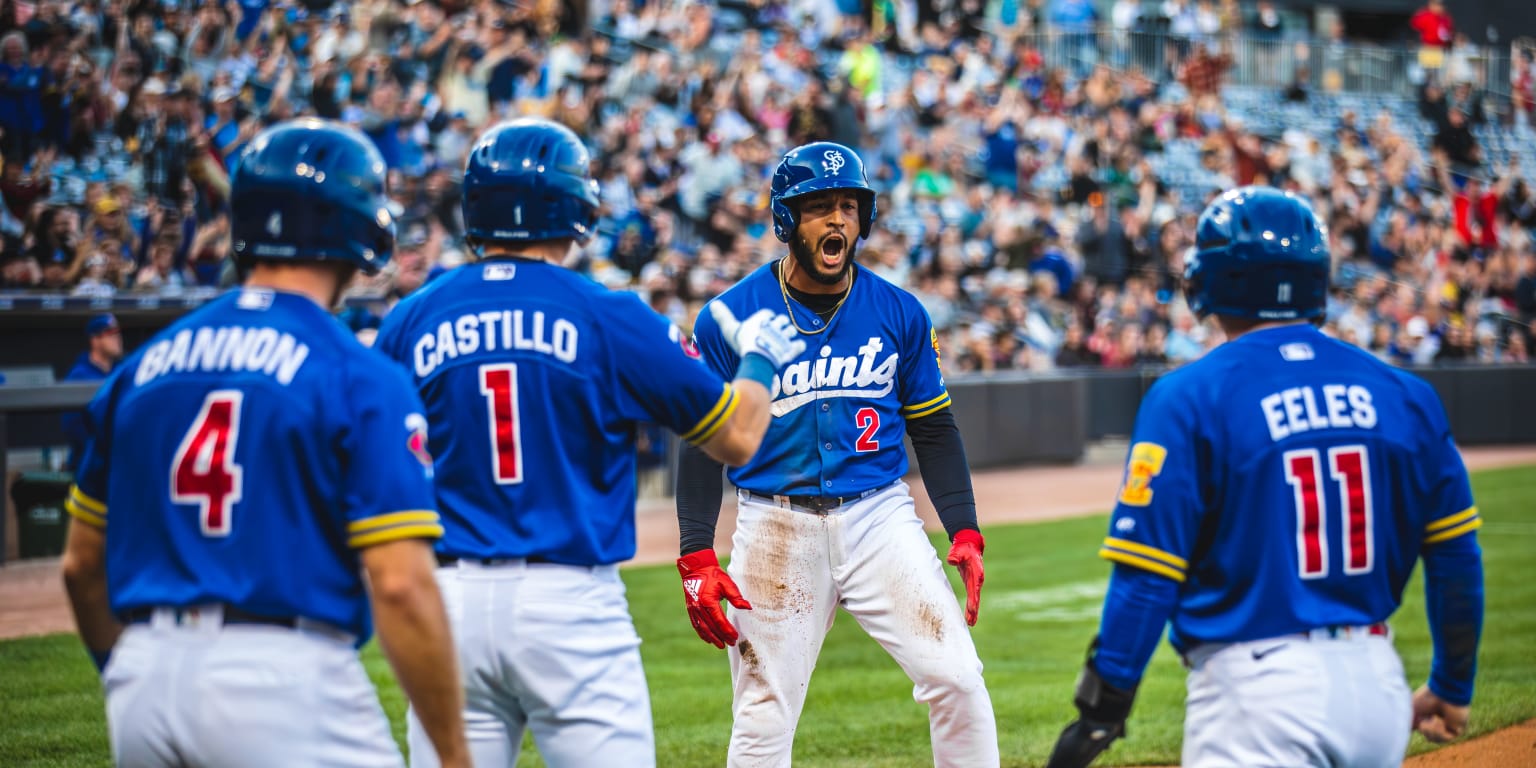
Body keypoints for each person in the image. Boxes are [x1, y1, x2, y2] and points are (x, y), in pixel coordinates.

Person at [372, 117, 803, 768]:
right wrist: (762, 358)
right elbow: (737, 438)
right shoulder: (608, 314)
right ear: (573, 206)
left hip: (448, 599)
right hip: (568, 602)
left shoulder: (410, 318)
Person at [59, 118, 471, 768]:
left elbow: (81, 565)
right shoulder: (358, 373)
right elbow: (399, 586)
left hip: (145, 677)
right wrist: (453, 754)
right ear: (354, 225)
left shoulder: (142, 368)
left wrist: (125, 669)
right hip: (282, 676)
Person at [1046, 187, 1484, 768]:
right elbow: (1456, 556)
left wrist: (1102, 709)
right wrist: (1452, 684)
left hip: (1254, 694)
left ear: (1217, 279)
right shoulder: (1405, 394)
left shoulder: (1188, 396)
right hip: (1378, 684)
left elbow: (1147, 576)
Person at [674, 141, 999, 767]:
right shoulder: (727, 318)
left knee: (958, 677)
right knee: (764, 712)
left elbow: (933, 428)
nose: (838, 220)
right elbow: (701, 443)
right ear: (786, 219)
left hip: (879, 517)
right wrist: (695, 552)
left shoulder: (899, 311)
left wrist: (963, 527)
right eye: (819, 207)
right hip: (774, 523)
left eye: (849, 207)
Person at [60, 313, 124, 471]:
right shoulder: (79, 375)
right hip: (89, 465)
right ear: (95, 340)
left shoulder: (121, 372)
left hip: (119, 460)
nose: (117, 338)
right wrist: (98, 451)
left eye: (118, 333)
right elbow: (72, 425)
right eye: (110, 334)